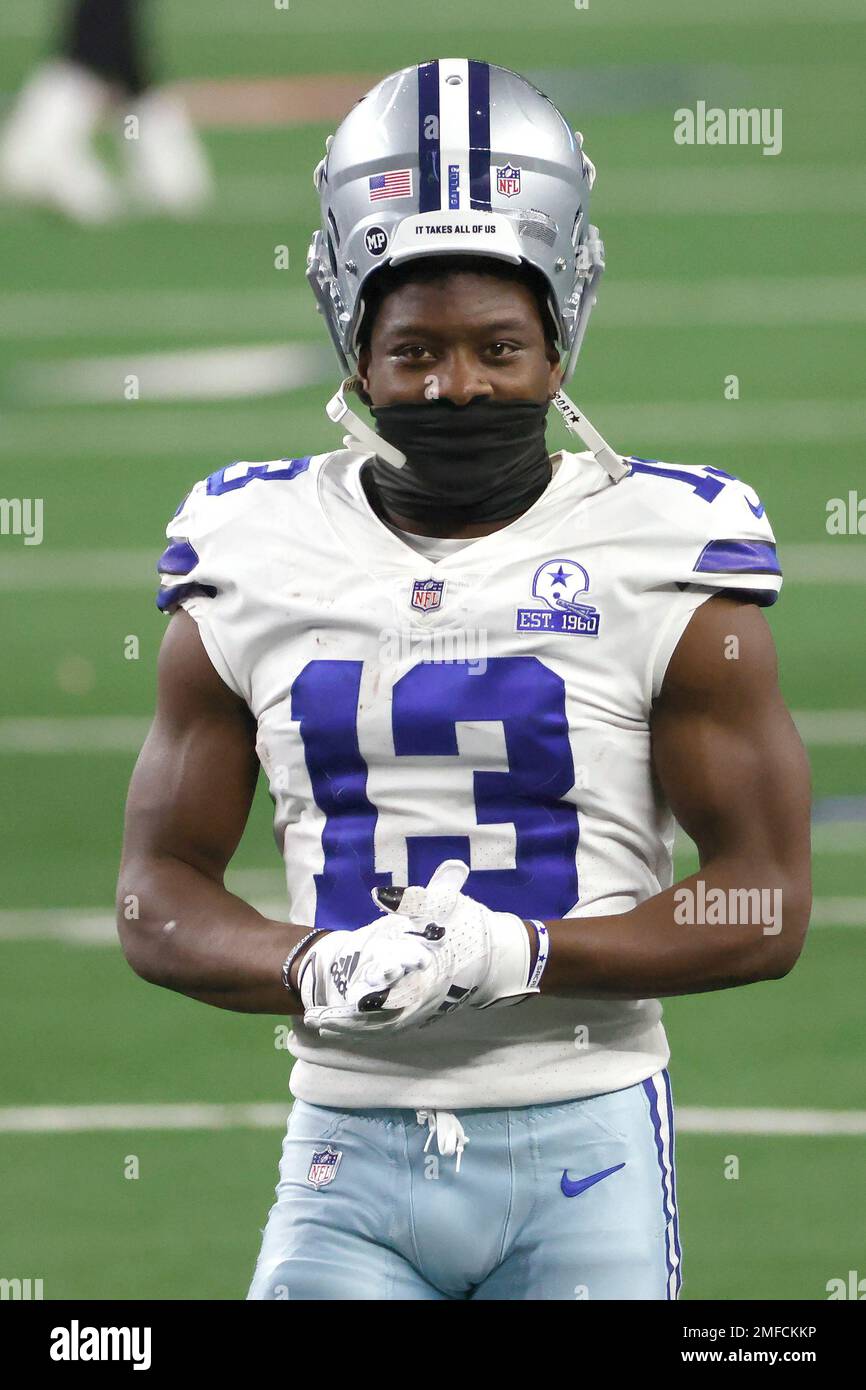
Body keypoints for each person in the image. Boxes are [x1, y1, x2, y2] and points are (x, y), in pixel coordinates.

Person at [117, 59, 811, 1300]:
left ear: (559, 335)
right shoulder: (251, 544)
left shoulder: (664, 543)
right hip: (345, 1149)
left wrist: (526, 953)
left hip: (582, 1140)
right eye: (414, 351)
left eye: (498, 346)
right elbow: (154, 890)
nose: (458, 387)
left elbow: (762, 902)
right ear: (351, 342)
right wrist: (307, 965)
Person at [0, 0, 211, 221]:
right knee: (128, 88)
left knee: (126, 87)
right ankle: (156, 164)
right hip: (122, 97)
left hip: (112, 94)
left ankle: (50, 149)